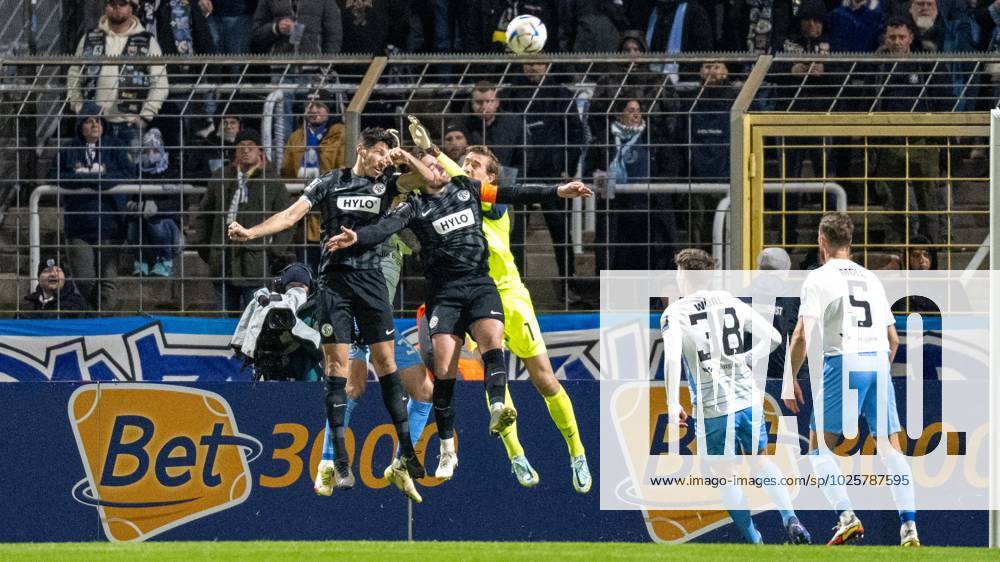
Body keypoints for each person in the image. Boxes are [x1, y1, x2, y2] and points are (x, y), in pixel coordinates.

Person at [323, 121, 592, 484]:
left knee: (541, 377)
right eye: (461, 164)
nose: (464, 169)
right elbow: (390, 224)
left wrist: (557, 191)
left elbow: (511, 193)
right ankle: (502, 453)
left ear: (489, 176)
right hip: (447, 294)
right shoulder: (420, 206)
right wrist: (359, 236)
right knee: (446, 367)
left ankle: (576, 453)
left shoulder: (478, 197)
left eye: (473, 165)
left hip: (503, 292)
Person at [227, 127, 436, 502]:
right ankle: (337, 461)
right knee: (344, 376)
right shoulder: (330, 183)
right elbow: (291, 215)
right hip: (335, 288)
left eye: (389, 157)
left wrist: (403, 155)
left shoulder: (390, 188)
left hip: (371, 292)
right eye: (380, 154)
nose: (384, 162)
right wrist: (251, 232)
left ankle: (398, 454)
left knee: (389, 373)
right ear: (362, 150)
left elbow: (429, 178)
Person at [785, 212, 919, 547]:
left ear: (821, 241)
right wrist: (878, 370)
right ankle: (910, 526)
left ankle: (846, 517)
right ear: (851, 242)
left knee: (818, 448)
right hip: (877, 360)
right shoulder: (871, 278)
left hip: (843, 359)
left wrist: (790, 377)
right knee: (891, 448)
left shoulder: (817, 278)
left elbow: (802, 334)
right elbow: (894, 340)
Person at [662, 248, 811, 545]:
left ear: (683, 276)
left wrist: (672, 402)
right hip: (747, 398)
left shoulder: (675, 313)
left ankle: (754, 539)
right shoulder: (728, 300)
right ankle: (789, 517)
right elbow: (775, 338)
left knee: (723, 474)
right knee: (761, 461)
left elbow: (671, 359)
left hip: (712, 405)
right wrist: (745, 358)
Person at [192, 128, 293, 313]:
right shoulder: (220, 177)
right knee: (224, 324)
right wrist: (207, 251)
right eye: (241, 147)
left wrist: (274, 253)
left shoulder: (272, 182)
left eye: (251, 147)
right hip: (222, 264)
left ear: (260, 152)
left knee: (254, 322)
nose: (246, 151)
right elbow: (203, 217)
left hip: (256, 265)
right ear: (235, 151)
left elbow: (287, 219)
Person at [48, 104, 133, 311]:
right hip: (78, 225)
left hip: (111, 224)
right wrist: (88, 179)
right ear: (80, 126)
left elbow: (129, 174)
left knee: (108, 281)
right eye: (88, 121)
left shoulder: (117, 146)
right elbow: (53, 176)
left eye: (98, 120)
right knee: (84, 279)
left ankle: (102, 324)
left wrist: (95, 180)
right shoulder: (68, 149)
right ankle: (95, 319)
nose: (94, 124)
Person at [67, 0, 169, 154]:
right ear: (105, 7)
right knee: (93, 173)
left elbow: (160, 82)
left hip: (129, 126)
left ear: (131, 8)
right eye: (111, 3)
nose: (117, 7)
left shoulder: (148, 41)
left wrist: (145, 116)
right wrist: (79, 107)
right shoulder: (89, 38)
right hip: (94, 124)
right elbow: (74, 74)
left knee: (128, 174)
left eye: (122, 3)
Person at [282, 93, 347, 273]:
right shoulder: (296, 137)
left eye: (319, 105)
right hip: (303, 213)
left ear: (328, 110)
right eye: (309, 106)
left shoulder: (340, 134)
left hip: (331, 211)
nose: (314, 110)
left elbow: (343, 168)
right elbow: (286, 170)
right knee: (307, 267)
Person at [128, 127, 183, 277]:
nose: (150, 155)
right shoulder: (136, 174)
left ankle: (165, 261)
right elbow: (130, 200)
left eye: (155, 151)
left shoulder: (172, 173)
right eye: (146, 152)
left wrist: (157, 207)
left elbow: (179, 204)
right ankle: (142, 260)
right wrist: (134, 207)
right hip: (144, 226)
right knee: (134, 225)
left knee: (154, 219)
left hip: (170, 231)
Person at [251, 0, 342, 54]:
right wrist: (276, 28)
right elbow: (256, 33)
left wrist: (325, 65)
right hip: (280, 68)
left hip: (313, 70)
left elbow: (334, 34)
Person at [20, 257, 89, 318]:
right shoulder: (28, 304)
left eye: (58, 270)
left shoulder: (77, 303)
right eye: (47, 271)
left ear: (65, 277)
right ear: (38, 278)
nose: (53, 274)